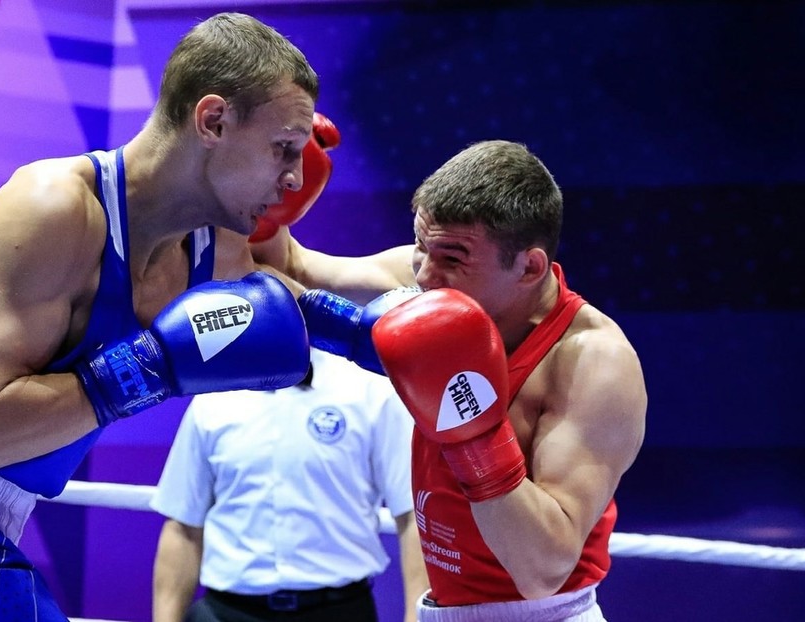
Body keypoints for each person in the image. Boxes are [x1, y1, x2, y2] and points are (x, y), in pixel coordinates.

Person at [0, 12, 329, 621]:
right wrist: (151, 367)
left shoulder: (214, 250)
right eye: (284, 148)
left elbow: (342, 285)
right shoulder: (52, 206)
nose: (294, 176)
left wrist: (405, 311)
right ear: (212, 120)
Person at [252, 140, 648, 621]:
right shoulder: (430, 268)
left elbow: (542, 571)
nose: (423, 276)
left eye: (453, 258)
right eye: (421, 246)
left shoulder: (593, 361)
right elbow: (291, 267)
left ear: (530, 266)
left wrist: (471, 428)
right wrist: (269, 193)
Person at [150, 348, 428, 622]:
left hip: (339, 611)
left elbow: (413, 515)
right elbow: (183, 526)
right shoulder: (214, 395)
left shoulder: (369, 388)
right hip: (226, 611)